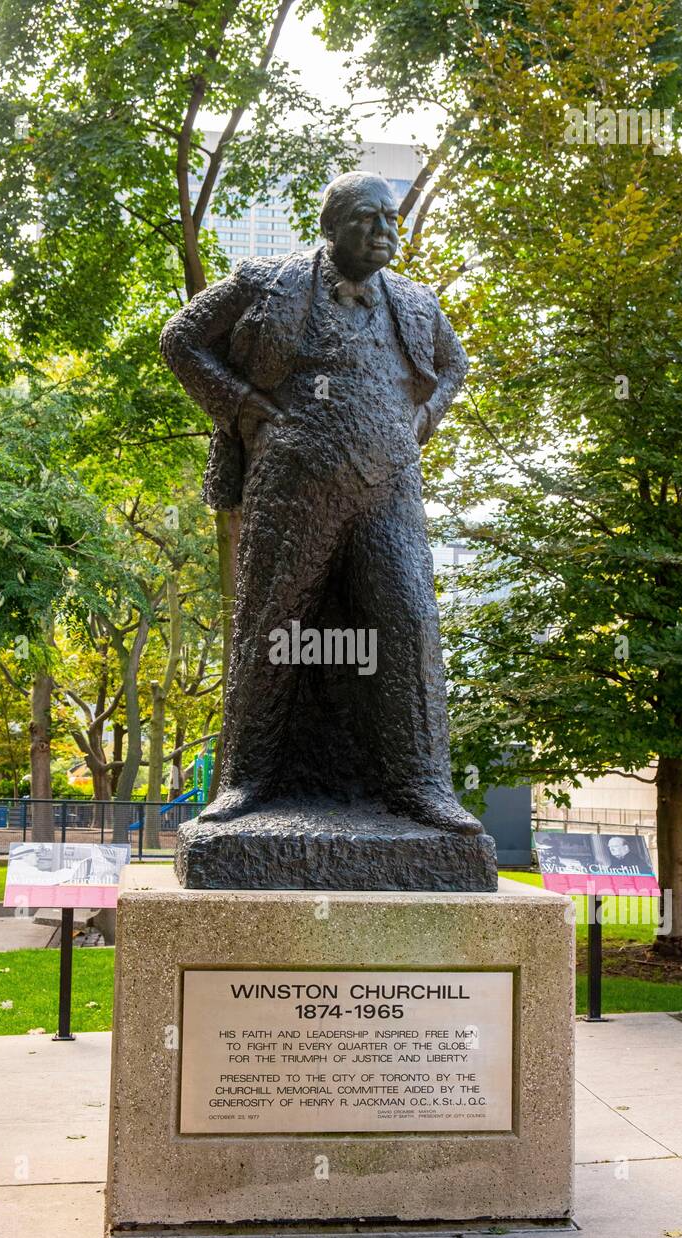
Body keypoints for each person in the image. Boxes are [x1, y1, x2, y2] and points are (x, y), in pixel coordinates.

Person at [161, 172, 482, 835]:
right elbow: (180, 339)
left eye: (391, 219)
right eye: (368, 219)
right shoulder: (266, 281)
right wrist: (245, 409)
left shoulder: (416, 304)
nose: (384, 231)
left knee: (410, 620)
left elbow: (455, 365)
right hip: (293, 485)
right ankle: (246, 781)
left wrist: (425, 421)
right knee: (273, 624)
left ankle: (422, 786)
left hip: (388, 489)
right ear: (331, 226)